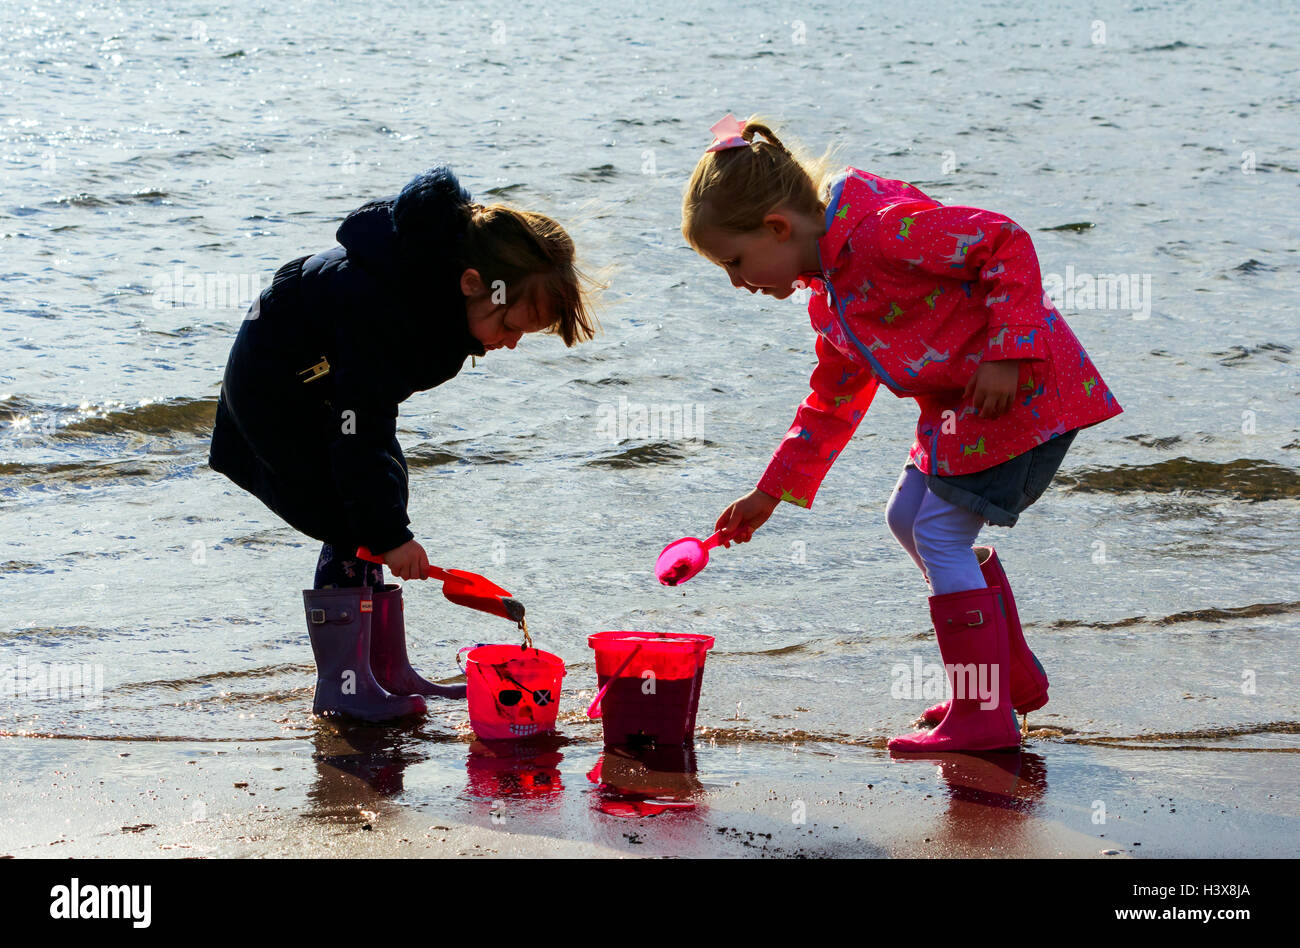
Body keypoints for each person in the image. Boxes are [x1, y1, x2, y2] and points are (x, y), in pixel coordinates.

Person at [681, 115, 1122, 752]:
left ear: (777, 227)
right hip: (962, 415)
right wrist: (768, 494)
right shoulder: (830, 299)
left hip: (1022, 396)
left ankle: (982, 716)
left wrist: (1007, 350)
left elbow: (1004, 240)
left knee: (940, 533)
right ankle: (1006, 680)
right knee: (904, 515)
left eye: (735, 262)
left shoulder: (884, 232)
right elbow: (830, 405)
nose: (737, 281)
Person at [209, 165, 598, 722]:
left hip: (325, 385)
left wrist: (388, 525)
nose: (511, 343)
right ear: (471, 283)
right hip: (276, 389)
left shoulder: (435, 306)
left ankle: (384, 671)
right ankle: (344, 687)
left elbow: (367, 416)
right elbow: (358, 423)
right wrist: (390, 536)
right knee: (348, 519)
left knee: (382, 488)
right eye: (512, 325)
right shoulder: (389, 311)